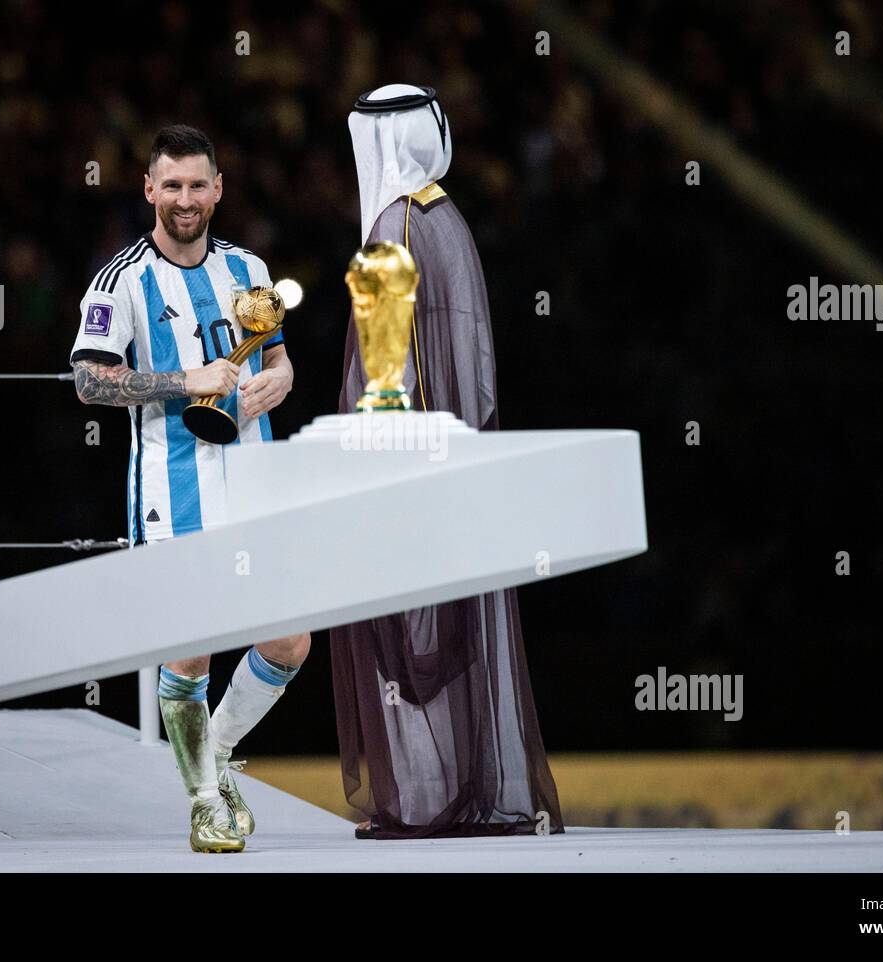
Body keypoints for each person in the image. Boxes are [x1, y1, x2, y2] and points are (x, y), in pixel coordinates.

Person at [330, 85, 565, 839]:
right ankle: (468, 795)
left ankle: (426, 804)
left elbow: (383, 370)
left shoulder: (392, 225)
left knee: (406, 635)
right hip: (458, 459)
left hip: (406, 466)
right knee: (454, 626)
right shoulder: (445, 217)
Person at [69, 124, 309, 853]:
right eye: (171, 185)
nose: (185, 198)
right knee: (191, 649)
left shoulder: (249, 268)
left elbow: (281, 358)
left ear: (218, 189)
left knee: (292, 641)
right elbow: (87, 380)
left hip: (254, 481)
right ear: (149, 190)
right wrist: (185, 382)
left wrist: (278, 381)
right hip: (170, 489)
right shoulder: (121, 280)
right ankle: (205, 800)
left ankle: (219, 754)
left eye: (197, 184)